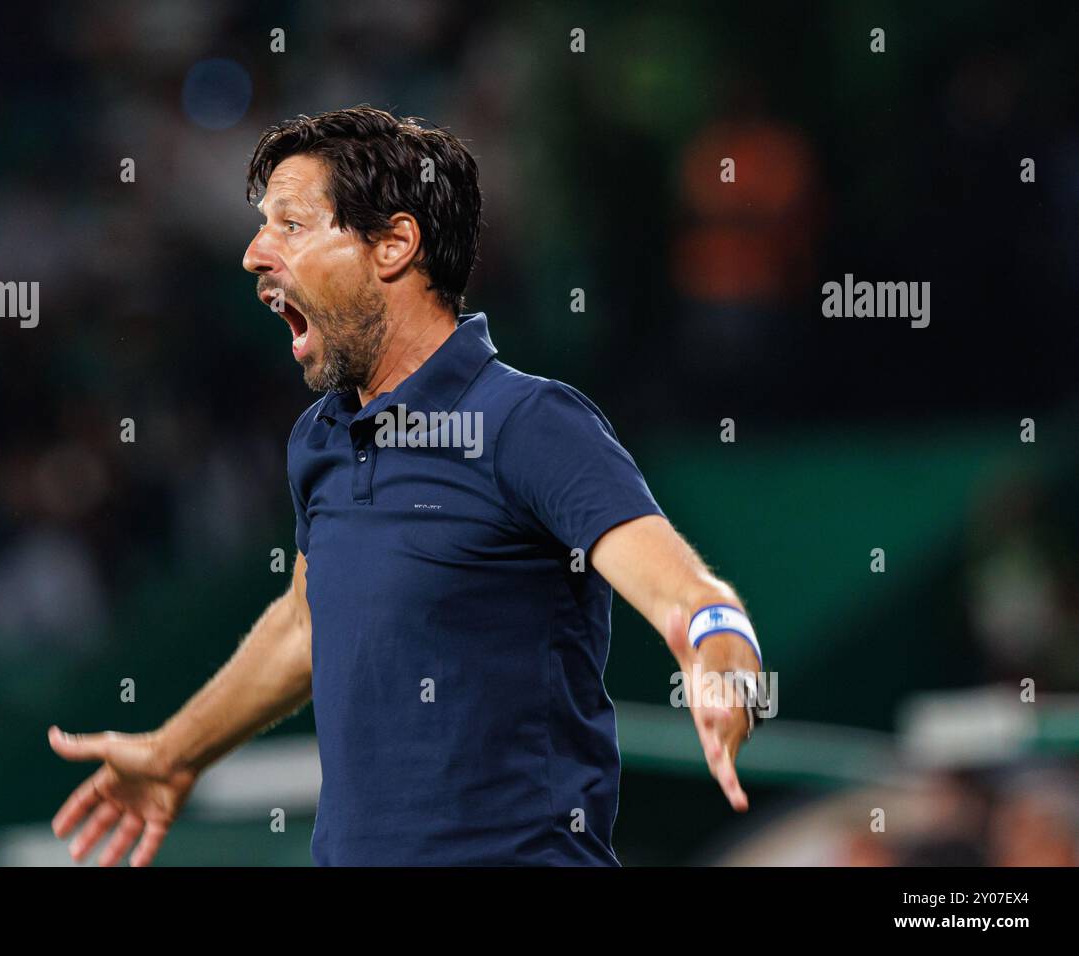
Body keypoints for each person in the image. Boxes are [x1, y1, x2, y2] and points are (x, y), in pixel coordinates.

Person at [48, 106, 764, 866]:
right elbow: (306, 623)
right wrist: (173, 754)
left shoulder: (528, 420)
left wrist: (721, 655)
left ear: (393, 245)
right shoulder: (318, 440)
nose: (256, 253)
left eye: (290, 224)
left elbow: (685, 594)